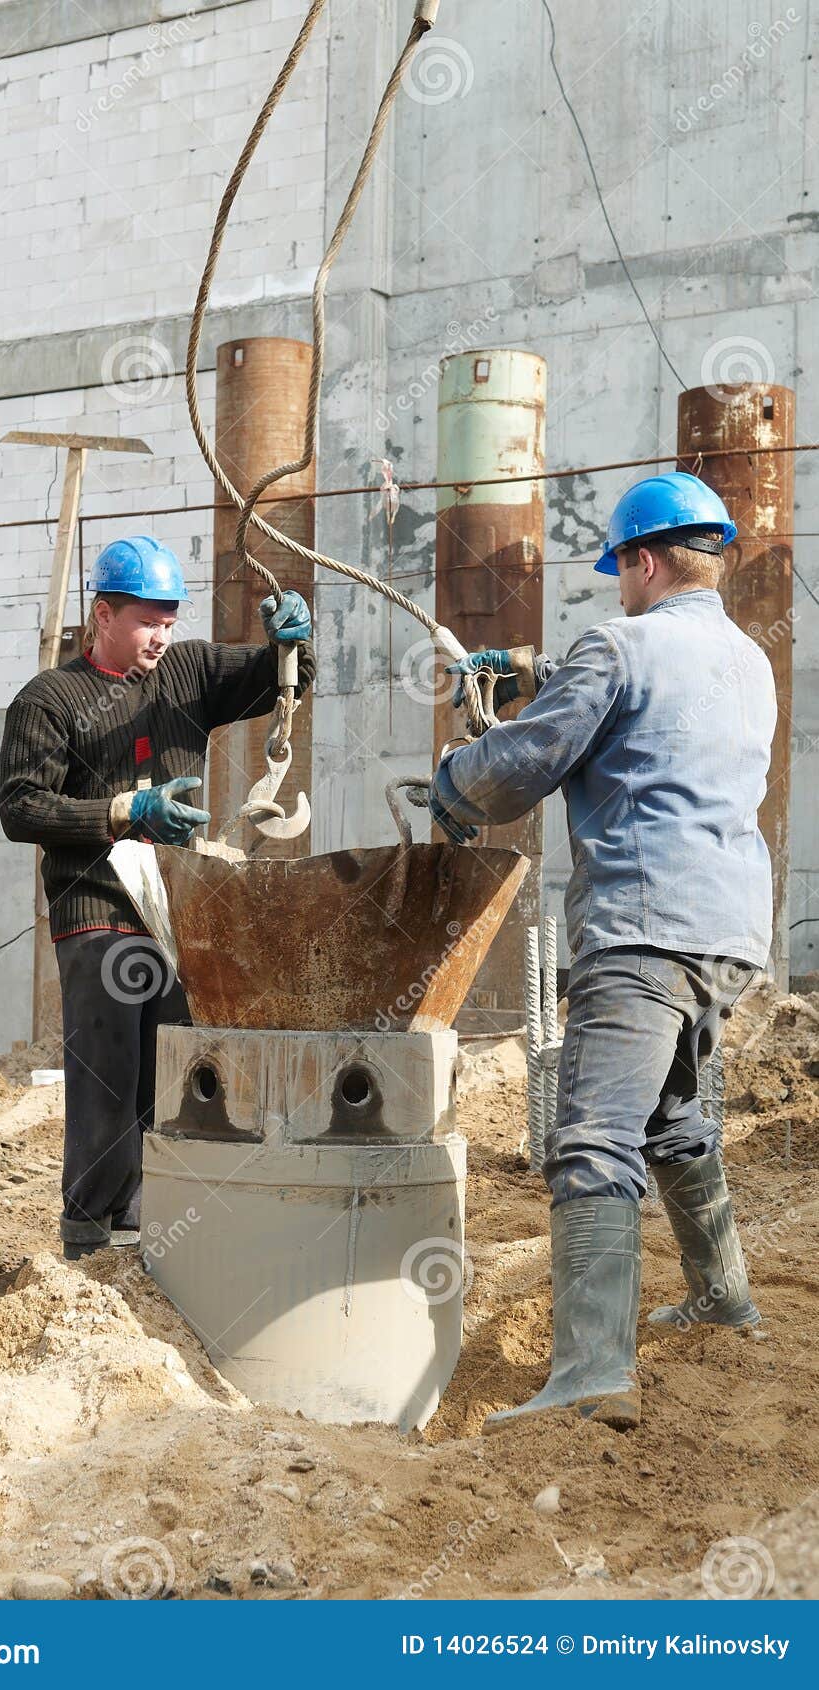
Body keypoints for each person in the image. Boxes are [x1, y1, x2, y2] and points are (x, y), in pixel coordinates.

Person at [430, 472, 775, 1429]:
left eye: (619, 567)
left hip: (640, 928)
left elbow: (522, 765)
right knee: (670, 1120)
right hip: (727, 937)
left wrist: (451, 783)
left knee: (590, 1139)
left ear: (644, 559)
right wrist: (544, 671)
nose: (616, 584)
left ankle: (590, 1370)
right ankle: (722, 1294)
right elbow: (645, 709)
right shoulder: (748, 660)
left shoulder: (619, 646)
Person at [0, 535, 315, 1260]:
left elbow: (282, 680)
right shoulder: (49, 701)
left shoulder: (189, 672)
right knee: (108, 1068)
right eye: (147, 621)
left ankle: (144, 1222)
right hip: (97, 908)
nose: (161, 636)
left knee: (172, 1071)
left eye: (170, 620)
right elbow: (21, 809)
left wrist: (293, 642)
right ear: (102, 615)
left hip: (175, 908)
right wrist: (123, 813)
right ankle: (87, 1227)